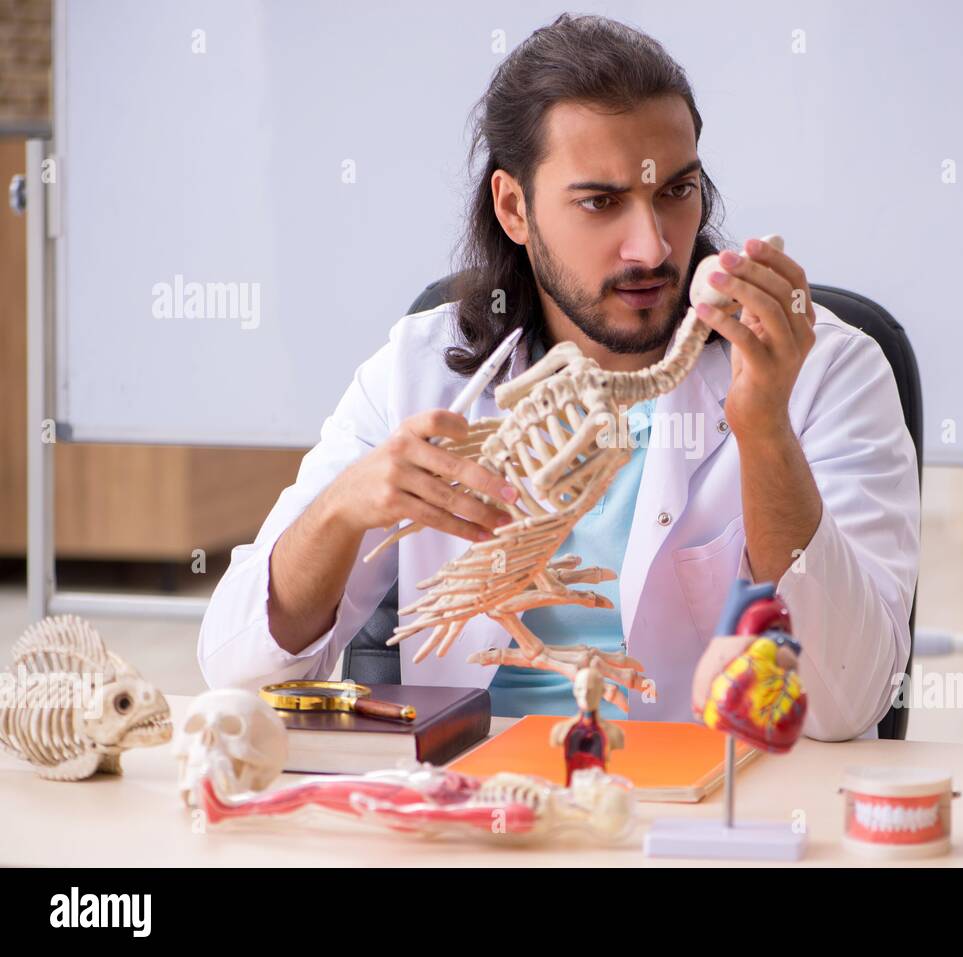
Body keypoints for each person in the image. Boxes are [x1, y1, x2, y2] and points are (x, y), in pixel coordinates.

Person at [197, 14, 919, 741]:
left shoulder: (830, 368)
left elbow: (847, 701)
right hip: (472, 811)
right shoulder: (421, 369)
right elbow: (238, 669)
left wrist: (763, 430)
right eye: (600, 202)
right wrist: (342, 507)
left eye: (677, 190)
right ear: (514, 207)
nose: (653, 246)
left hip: (705, 822)